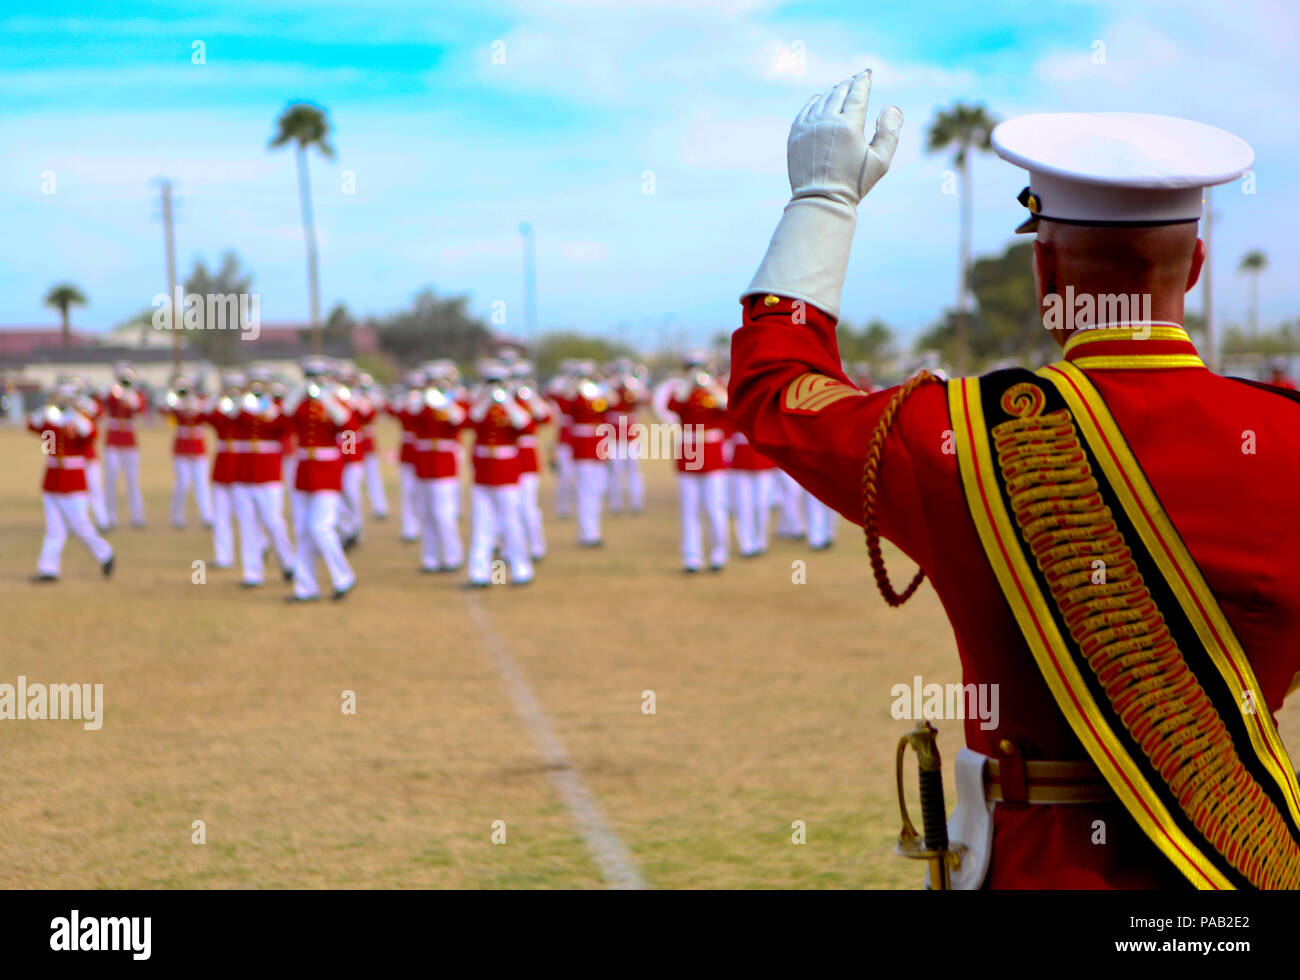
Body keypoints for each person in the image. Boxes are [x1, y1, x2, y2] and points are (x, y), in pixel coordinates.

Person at [730, 70, 1300, 889]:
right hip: (1243, 867)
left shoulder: (960, 438)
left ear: (1047, 273)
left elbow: (777, 395)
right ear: (1198, 264)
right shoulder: (1286, 433)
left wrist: (821, 202)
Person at [282, 357, 356, 601]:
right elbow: (284, 415)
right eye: (310, 376)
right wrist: (301, 390)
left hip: (327, 469)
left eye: (319, 377)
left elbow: (348, 428)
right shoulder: (301, 404)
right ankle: (306, 588)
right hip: (304, 468)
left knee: (321, 527)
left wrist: (327, 397)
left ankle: (343, 577)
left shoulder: (337, 402)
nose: (314, 382)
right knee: (303, 529)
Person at [27, 382, 115, 582]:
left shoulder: (80, 421)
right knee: (54, 529)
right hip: (52, 479)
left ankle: (105, 553)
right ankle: (48, 569)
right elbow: (32, 424)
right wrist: (49, 406)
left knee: (81, 525)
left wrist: (74, 410)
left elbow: (90, 434)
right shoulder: (51, 420)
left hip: (73, 479)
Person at [656, 350, 732, 572]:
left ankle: (719, 554)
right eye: (691, 366)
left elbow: (728, 407)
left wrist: (709, 385)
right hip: (689, 451)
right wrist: (688, 384)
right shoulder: (681, 390)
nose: (695, 371)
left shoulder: (716, 387)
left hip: (712, 450)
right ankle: (692, 557)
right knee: (689, 508)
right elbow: (672, 408)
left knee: (715, 507)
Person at [465, 359, 533, 587]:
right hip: (484, 471)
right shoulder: (478, 404)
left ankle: (521, 569)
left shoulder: (514, 405)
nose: (495, 386)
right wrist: (486, 396)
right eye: (490, 381)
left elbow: (524, 424)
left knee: (511, 522)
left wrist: (508, 399)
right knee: (482, 523)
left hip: (506, 471)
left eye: (498, 382)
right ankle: (479, 573)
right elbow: (470, 421)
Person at [232, 375, 295, 588]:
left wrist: (273, 408)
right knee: (248, 526)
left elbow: (285, 426)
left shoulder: (277, 409)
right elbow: (228, 418)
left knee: (273, 522)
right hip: (244, 473)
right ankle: (252, 573)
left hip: (268, 473)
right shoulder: (242, 407)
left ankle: (288, 562)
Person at [408, 367, 466, 574]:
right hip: (424, 463)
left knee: (444, 513)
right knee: (426, 513)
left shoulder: (452, 403)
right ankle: (430, 559)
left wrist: (446, 401)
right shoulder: (420, 403)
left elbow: (460, 420)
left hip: (444, 464)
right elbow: (408, 416)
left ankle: (453, 556)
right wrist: (424, 395)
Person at [204, 372, 245, 570]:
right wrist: (218, 395)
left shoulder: (247, 408)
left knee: (247, 513)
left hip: (241, 464)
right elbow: (206, 415)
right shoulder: (221, 407)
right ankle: (223, 555)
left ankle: (259, 548)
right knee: (221, 514)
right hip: (223, 462)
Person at [162, 374, 214, 530]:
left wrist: (196, 404)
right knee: (182, 483)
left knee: (201, 483)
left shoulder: (199, 401)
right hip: (182, 446)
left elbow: (208, 413)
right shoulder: (175, 402)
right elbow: (164, 408)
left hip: (197, 446)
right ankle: (177, 516)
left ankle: (207, 516)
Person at [512, 360, 551, 561]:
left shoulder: (529, 398)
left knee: (527, 506)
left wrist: (531, 395)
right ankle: (507, 546)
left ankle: (536, 546)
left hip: (525, 458)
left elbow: (545, 417)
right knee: (507, 508)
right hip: (507, 458)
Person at [100, 361, 147, 529]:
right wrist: (116, 385)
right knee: (111, 479)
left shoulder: (135, 394)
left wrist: (128, 392)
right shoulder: (111, 390)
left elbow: (139, 407)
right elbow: (103, 397)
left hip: (129, 439)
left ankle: (137, 516)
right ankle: (110, 516)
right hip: (112, 439)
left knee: (132, 479)